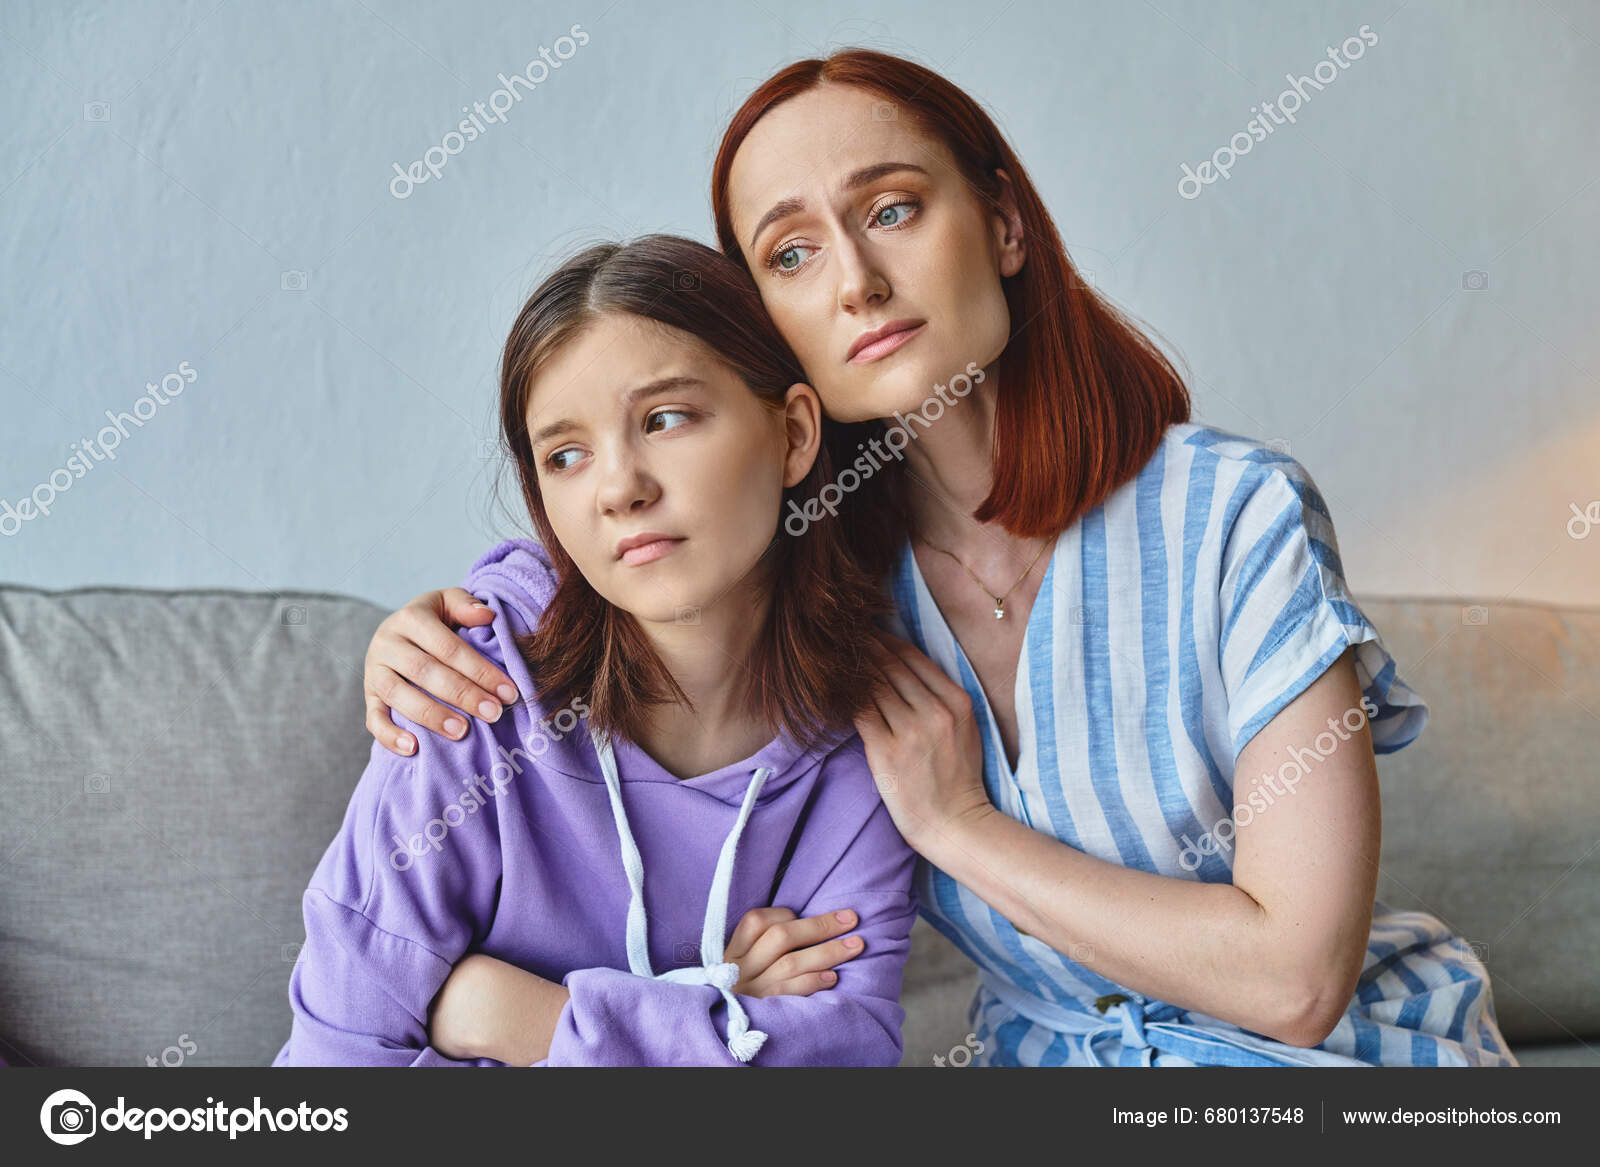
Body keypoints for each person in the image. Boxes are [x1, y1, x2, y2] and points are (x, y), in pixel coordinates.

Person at [355, 50, 1513, 1067]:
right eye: (792, 254)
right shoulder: (806, 587)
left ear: (1004, 224)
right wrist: (424, 635)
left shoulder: (1232, 518)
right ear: (768, 335)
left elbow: (1296, 983)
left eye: (893, 211)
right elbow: (614, 581)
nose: (855, 280)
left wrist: (960, 825)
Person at [274, 235, 918, 1066]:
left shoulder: (871, 740)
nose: (619, 489)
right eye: (565, 455)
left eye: (665, 418)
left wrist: (524, 1020)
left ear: (794, 434)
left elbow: (843, 1071)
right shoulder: (470, 691)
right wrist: (713, 1012)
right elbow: (337, 1058)